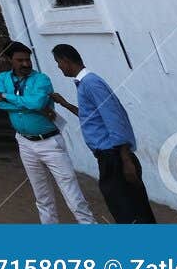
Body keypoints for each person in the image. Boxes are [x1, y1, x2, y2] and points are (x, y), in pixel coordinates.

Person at [51, 44, 158, 224]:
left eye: (58, 63)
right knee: (130, 208)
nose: (59, 67)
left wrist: (125, 160)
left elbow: (114, 118)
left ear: (65, 61)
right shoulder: (85, 84)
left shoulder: (91, 83)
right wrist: (64, 104)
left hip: (114, 157)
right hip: (110, 157)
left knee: (128, 210)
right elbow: (91, 117)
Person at [0, 40, 93, 224]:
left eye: (27, 59)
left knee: (73, 196)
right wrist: (25, 103)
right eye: (19, 60)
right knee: (42, 197)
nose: (25, 64)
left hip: (49, 142)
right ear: (9, 60)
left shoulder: (41, 79)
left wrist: (9, 97)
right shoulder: (3, 78)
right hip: (24, 142)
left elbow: (37, 103)